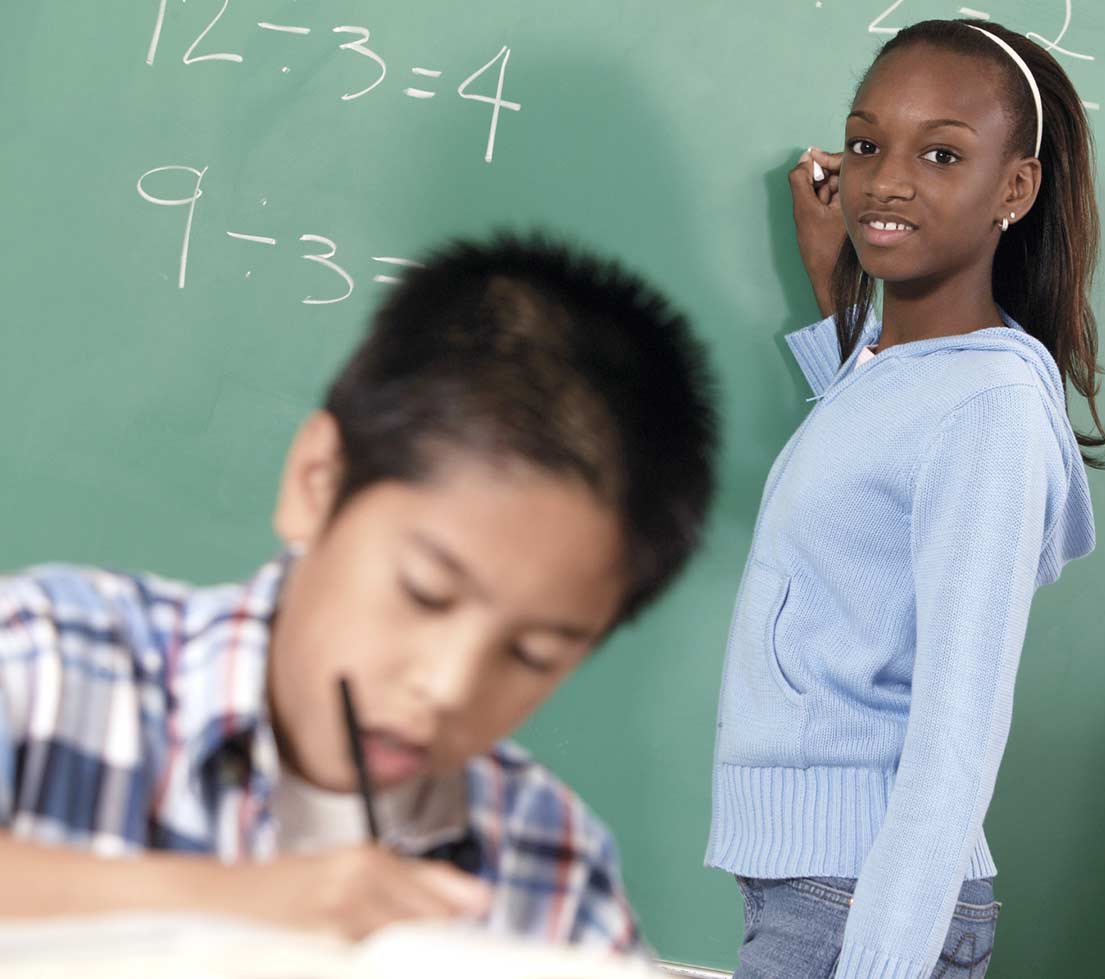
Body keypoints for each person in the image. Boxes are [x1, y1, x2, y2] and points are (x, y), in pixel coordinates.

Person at [0, 234, 718, 952]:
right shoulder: (47, 661)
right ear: (317, 481)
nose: (446, 686)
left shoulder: (553, 865)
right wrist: (229, 902)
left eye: (533, 653)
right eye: (425, 593)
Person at [706, 19, 1105, 979]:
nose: (887, 180)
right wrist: (833, 287)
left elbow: (958, 733)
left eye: (940, 153)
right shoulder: (910, 369)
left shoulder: (987, 414)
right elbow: (873, 434)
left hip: (864, 898)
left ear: (1015, 188)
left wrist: (882, 961)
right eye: (866, 143)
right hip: (813, 884)